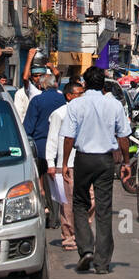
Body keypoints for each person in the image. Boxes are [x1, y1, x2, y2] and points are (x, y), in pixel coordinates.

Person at [61, 66, 131, 274]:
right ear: (104, 84)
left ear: (84, 83)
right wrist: (126, 161)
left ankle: (85, 250)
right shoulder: (114, 104)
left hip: (83, 159)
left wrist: (65, 163)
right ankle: (102, 262)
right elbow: (123, 137)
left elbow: (68, 137)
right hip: (105, 160)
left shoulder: (76, 104)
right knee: (103, 208)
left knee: (80, 203)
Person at [23, 71, 66, 228]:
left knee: (43, 186)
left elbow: (28, 127)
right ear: (55, 84)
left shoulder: (37, 100)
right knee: (59, 183)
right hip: (61, 147)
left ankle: (48, 216)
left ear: (41, 85)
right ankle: (60, 216)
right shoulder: (63, 98)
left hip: (41, 147)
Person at [46, 79, 85, 250]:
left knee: (89, 200)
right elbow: (52, 139)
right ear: (69, 96)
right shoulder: (59, 114)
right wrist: (50, 163)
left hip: (85, 162)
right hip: (65, 164)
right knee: (67, 203)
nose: (82, 97)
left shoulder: (87, 112)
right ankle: (69, 237)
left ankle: (83, 232)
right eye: (79, 94)